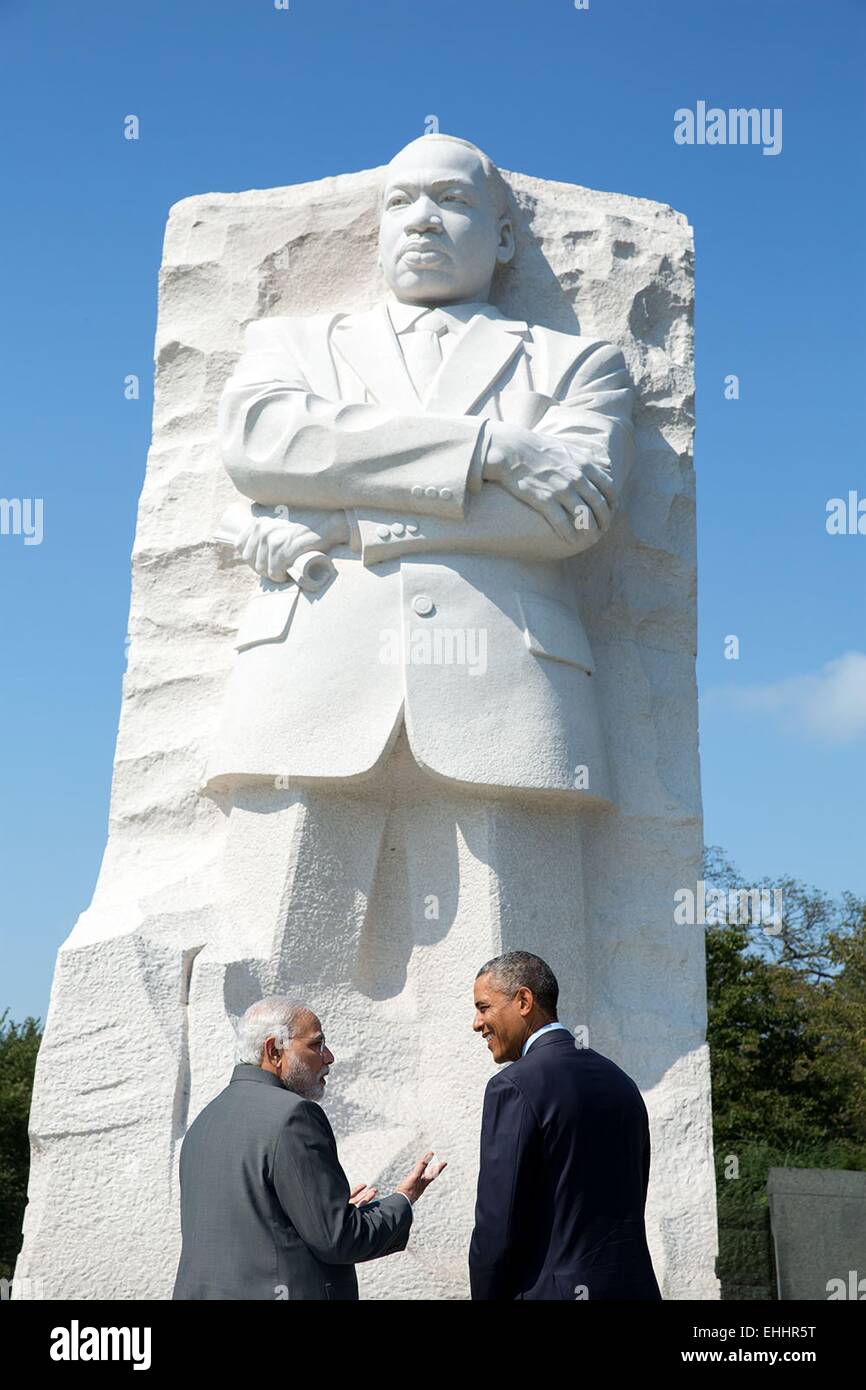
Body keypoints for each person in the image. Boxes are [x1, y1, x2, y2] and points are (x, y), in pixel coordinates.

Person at [172, 996, 445, 1300]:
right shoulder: (294, 1115)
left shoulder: (205, 1120)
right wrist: (402, 1201)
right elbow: (338, 1239)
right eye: (316, 1045)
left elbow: (250, 1226)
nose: (328, 1057)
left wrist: (324, 1210)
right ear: (274, 1050)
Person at [469, 951, 661, 1301]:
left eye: (484, 1007)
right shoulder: (622, 1082)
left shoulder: (511, 1087)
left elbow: (496, 1228)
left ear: (524, 1001)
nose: (477, 1023)